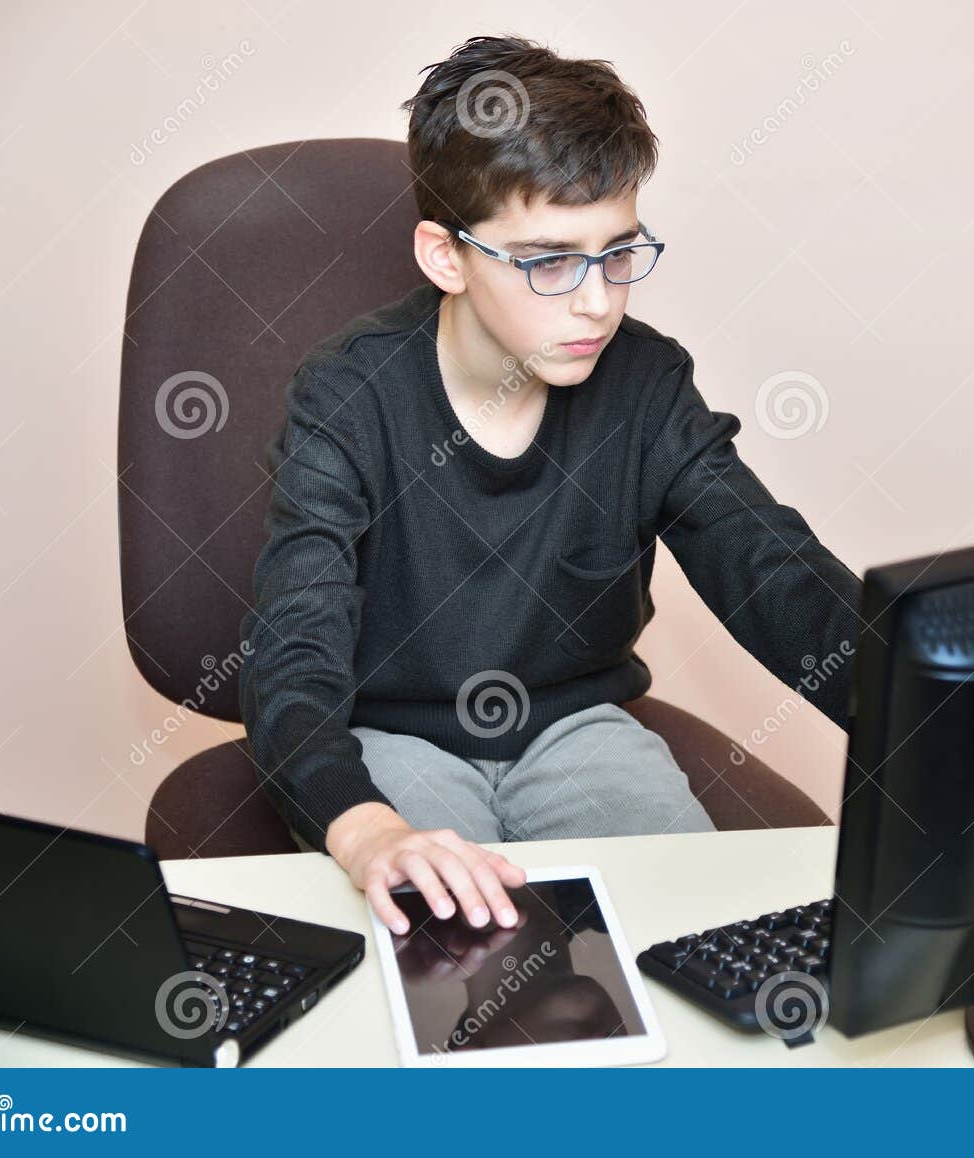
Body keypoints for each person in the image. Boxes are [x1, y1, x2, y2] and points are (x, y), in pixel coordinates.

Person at [238, 35, 862, 937]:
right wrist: (367, 826)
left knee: (688, 947)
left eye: (618, 254)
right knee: (457, 961)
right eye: (549, 260)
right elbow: (292, 647)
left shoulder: (645, 384)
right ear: (445, 256)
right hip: (394, 738)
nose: (599, 301)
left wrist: (933, 723)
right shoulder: (349, 395)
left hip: (579, 732)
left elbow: (772, 569)